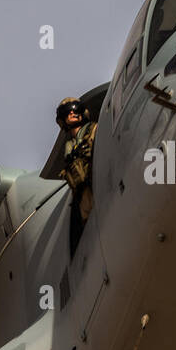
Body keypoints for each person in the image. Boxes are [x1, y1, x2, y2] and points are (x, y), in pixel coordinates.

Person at [56, 97, 97, 249]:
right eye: (67, 111)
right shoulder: (69, 147)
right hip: (83, 197)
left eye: (75, 108)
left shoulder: (94, 130)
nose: (72, 112)